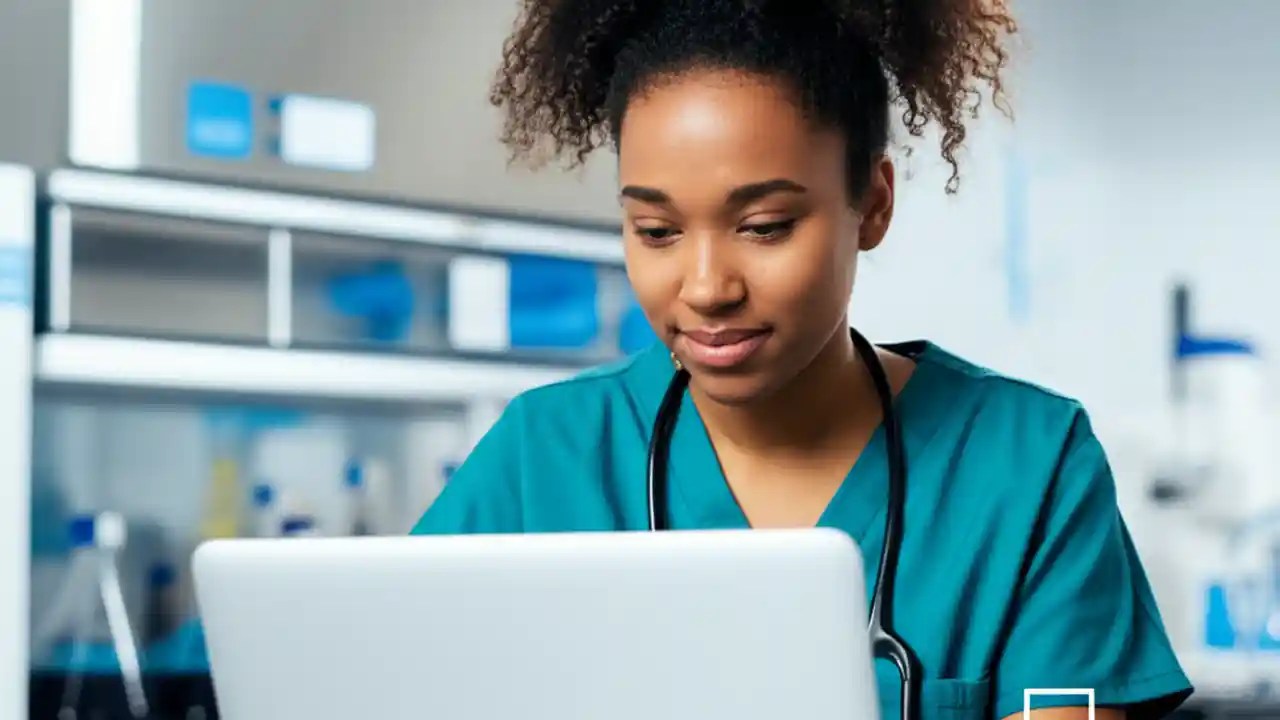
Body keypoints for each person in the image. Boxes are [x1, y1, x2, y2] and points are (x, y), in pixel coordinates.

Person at [413, 0, 1193, 717]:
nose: (707, 287)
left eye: (764, 225)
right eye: (656, 232)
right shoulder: (541, 456)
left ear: (874, 205)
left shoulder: (1030, 464)